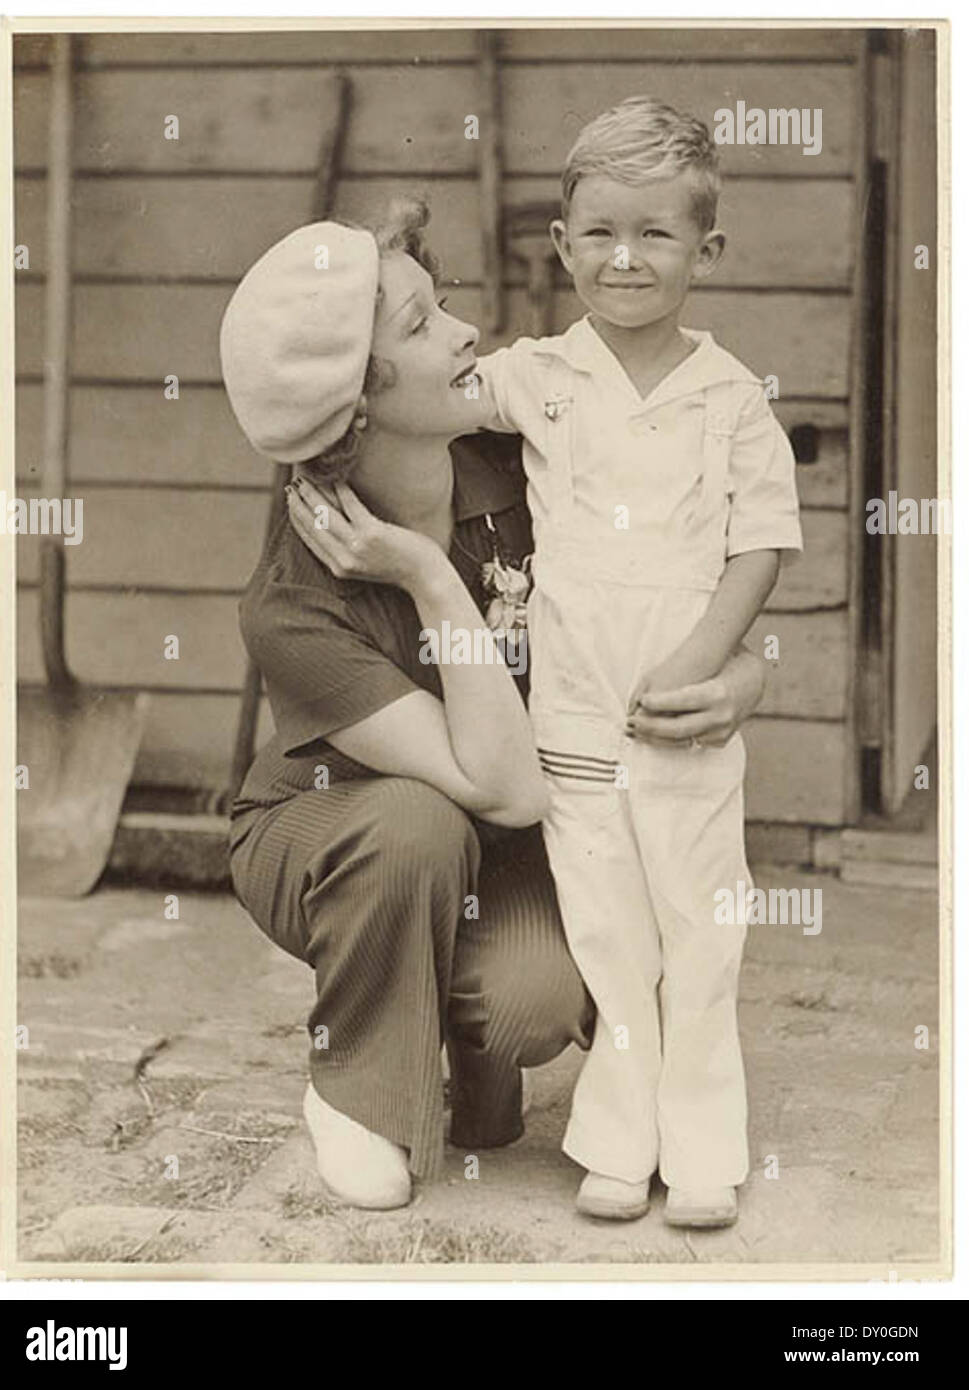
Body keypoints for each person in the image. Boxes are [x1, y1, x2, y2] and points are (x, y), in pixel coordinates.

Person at [219, 202, 770, 1212]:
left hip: (497, 838)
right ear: (358, 402)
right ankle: (357, 1090)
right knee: (414, 822)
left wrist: (737, 678)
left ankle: (475, 1059)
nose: (467, 331)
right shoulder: (291, 604)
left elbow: (659, 596)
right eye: (421, 324)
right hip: (336, 833)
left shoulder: (529, 466)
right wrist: (431, 578)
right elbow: (505, 788)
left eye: (442, 306)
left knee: (537, 997)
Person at [475, 96, 803, 1227]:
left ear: (705, 251)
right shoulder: (537, 374)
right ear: (561, 245)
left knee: (701, 931)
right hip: (575, 717)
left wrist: (707, 661)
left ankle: (704, 1148)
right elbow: (430, 386)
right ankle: (618, 1141)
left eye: (656, 233)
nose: (625, 258)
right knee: (609, 933)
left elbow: (760, 545)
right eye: (600, 233)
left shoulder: (732, 400)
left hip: (686, 719)